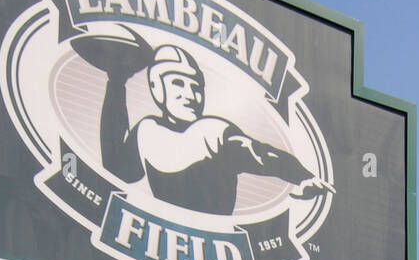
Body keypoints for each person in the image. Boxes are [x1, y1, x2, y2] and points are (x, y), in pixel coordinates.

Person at [84, 35, 333, 216]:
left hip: (214, 244)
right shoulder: (147, 131)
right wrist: (116, 81)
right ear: (156, 88)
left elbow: (261, 153)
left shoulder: (213, 132)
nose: (190, 95)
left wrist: (302, 176)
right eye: (178, 84)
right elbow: (116, 170)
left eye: (196, 87)